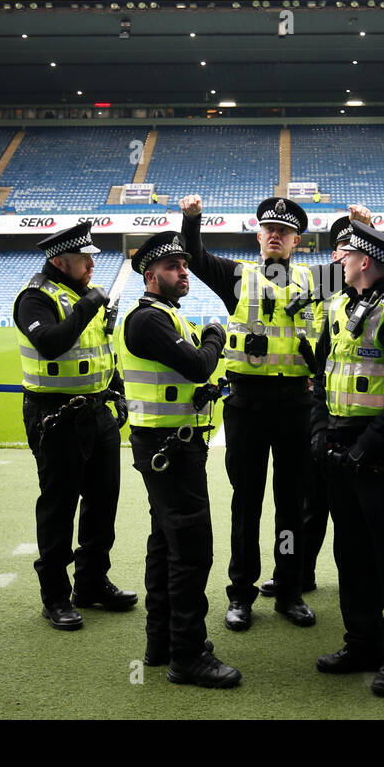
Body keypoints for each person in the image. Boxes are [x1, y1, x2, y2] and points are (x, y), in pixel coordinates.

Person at [179, 194, 318, 632]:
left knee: (291, 505)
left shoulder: (318, 279)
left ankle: (290, 589)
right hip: (247, 404)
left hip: (297, 403)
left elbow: (369, 271)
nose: (275, 236)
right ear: (258, 236)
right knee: (247, 503)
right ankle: (241, 593)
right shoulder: (238, 276)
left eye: (285, 232)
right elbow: (195, 256)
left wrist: (363, 227)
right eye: (269, 230)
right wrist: (193, 219)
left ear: (297, 240)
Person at [114, 231, 241, 688]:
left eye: (186, 266)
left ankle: (162, 640)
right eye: (174, 268)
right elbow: (199, 365)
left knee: (166, 542)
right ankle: (187, 656)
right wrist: (215, 335)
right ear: (151, 275)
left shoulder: (164, 316)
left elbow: (186, 376)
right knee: (190, 548)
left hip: (170, 445)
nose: (184, 272)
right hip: (170, 449)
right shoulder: (149, 319)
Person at [312, 220, 384, 697]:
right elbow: (321, 377)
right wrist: (320, 432)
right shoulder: (338, 306)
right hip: (342, 449)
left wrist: (366, 446)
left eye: (345, 257)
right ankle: (361, 641)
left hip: (382, 454)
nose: (337, 262)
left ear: (365, 262)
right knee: (351, 553)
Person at [14, 222, 137, 633]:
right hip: (56, 417)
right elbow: (52, 342)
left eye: (91, 258)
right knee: (59, 506)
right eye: (83, 258)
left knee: (103, 502)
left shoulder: (82, 293)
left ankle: (91, 583)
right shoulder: (34, 297)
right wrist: (89, 304)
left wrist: (116, 391)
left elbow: (102, 350)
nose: (90, 264)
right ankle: (54, 596)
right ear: (57, 260)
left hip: (98, 412)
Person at [259, 206, 372, 602]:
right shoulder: (324, 283)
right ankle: (297, 573)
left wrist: (365, 227)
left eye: (351, 247)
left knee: (352, 507)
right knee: (309, 502)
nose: (343, 254)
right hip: (315, 408)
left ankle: (358, 585)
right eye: (338, 247)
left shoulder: (367, 289)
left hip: (355, 414)